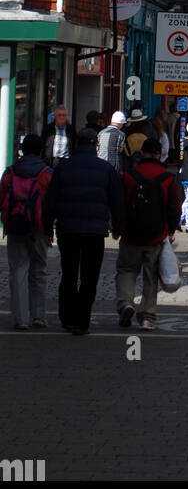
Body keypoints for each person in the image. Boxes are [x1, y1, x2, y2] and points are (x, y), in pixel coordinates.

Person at [42, 128, 124, 336]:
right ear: (95, 145)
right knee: (89, 276)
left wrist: (47, 227)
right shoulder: (105, 169)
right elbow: (117, 201)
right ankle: (82, 321)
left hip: (67, 228)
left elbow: (50, 200)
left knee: (68, 274)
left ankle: (67, 318)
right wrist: (117, 227)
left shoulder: (63, 167)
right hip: (95, 231)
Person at [116, 138, 182, 330]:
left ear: (142, 153)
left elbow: (120, 204)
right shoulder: (168, 178)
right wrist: (170, 230)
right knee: (151, 275)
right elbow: (175, 207)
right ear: (159, 155)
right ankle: (147, 316)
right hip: (156, 236)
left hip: (131, 234)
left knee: (126, 270)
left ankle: (126, 303)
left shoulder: (129, 176)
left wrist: (118, 227)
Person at [0, 134, 54, 330]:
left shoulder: (10, 172)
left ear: (22, 149)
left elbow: (1, 198)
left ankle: (20, 318)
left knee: (18, 270)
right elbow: (51, 204)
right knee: (39, 270)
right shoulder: (47, 173)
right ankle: (39, 315)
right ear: (40, 150)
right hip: (38, 227)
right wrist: (49, 229)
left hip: (15, 227)